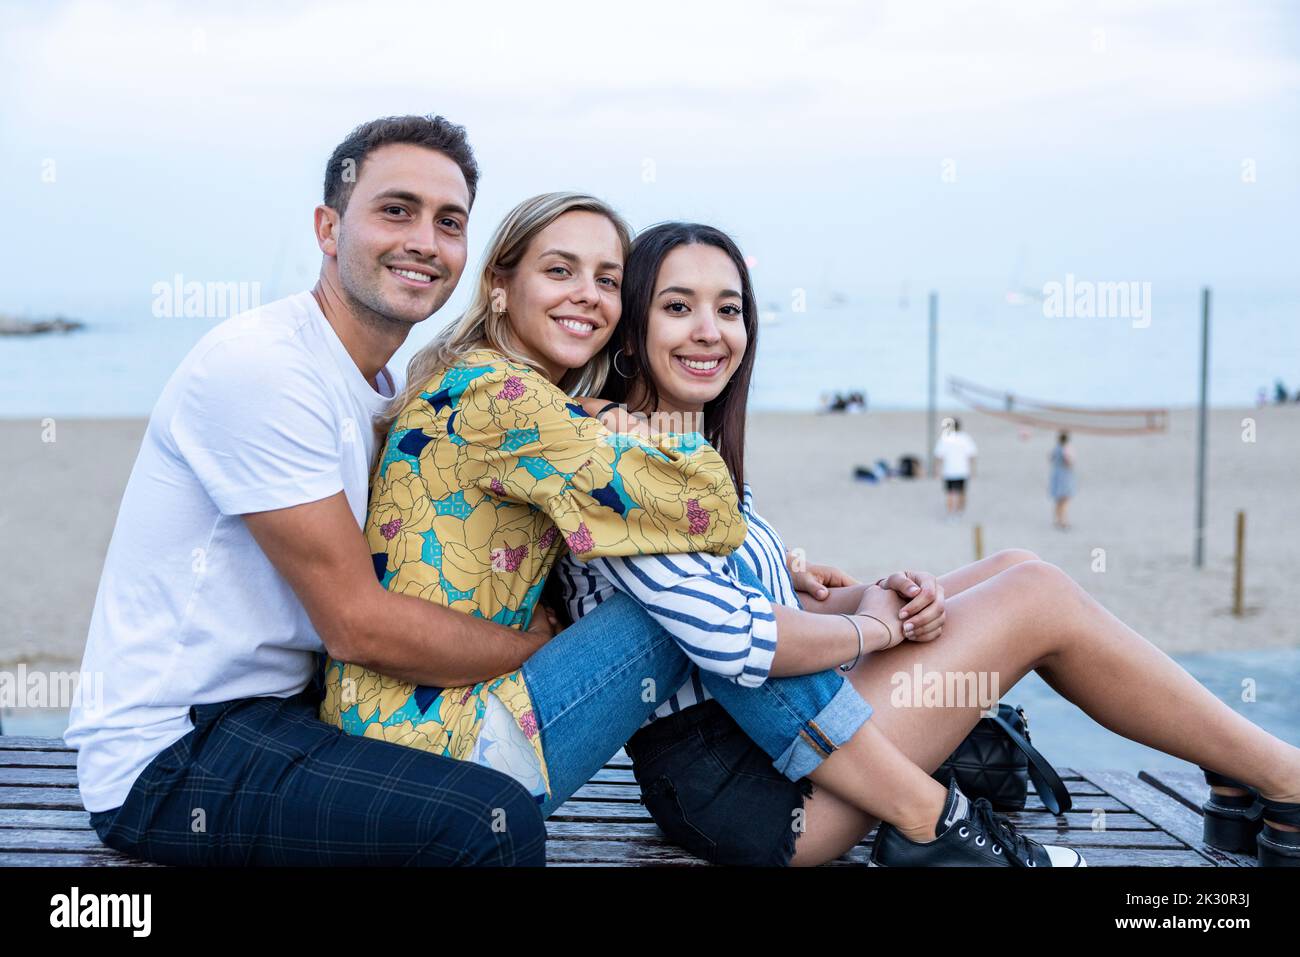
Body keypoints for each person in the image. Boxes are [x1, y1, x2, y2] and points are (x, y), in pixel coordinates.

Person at [556, 220, 1300, 867]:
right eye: (677, 307)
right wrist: (873, 625)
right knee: (1036, 599)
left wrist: (883, 592)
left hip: (774, 731)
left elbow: (758, 601)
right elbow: (734, 641)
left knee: (1019, 565)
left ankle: (1232, 774)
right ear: (632, 333)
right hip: (759, 787)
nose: (710, 331)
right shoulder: (625, 458)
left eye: (729, 309)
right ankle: (1285, 777)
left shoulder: (690, 451)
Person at [320, 193, 946, 854]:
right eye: (560, 271)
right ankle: (928, 809)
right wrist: (631, 427)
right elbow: (710, 503)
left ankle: (907, 788)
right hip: (452, 763)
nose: (588, 295)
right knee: (678, 605)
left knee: (685, 579)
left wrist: (780, 564)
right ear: (500, 286)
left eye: (607, 280)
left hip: (396, 739)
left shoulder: (495, 387)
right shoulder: (505, 397)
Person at [63, 115, 553, 866]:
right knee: (489, 822)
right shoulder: (265, 367)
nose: (426, 239)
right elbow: (356, 624)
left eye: (449, 222)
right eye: (397, 210)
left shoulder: (386, 385)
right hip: (173, 750)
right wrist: (535, 646)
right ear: (329, 229)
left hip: (295, 709)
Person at [932, 417, 977, 518]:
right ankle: (960, 512)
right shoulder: (965, 438)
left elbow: (939, 456)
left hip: (949, 471)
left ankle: (951, 513)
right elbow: (971, 455)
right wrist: (973, 470)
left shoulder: (945, 439)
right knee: (961, 491)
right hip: (962, 470)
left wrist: (936, 470)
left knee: (950, 493)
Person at [1049, 430, 1076, 530]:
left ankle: (1057, 520)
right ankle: (1063, 521)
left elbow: (1050, 459)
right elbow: (1069, 462)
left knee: (1057, 500)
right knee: (1064, 500)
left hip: (1056, 475)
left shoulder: (1056, 448)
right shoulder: (1066, 449)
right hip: (1064, 476)